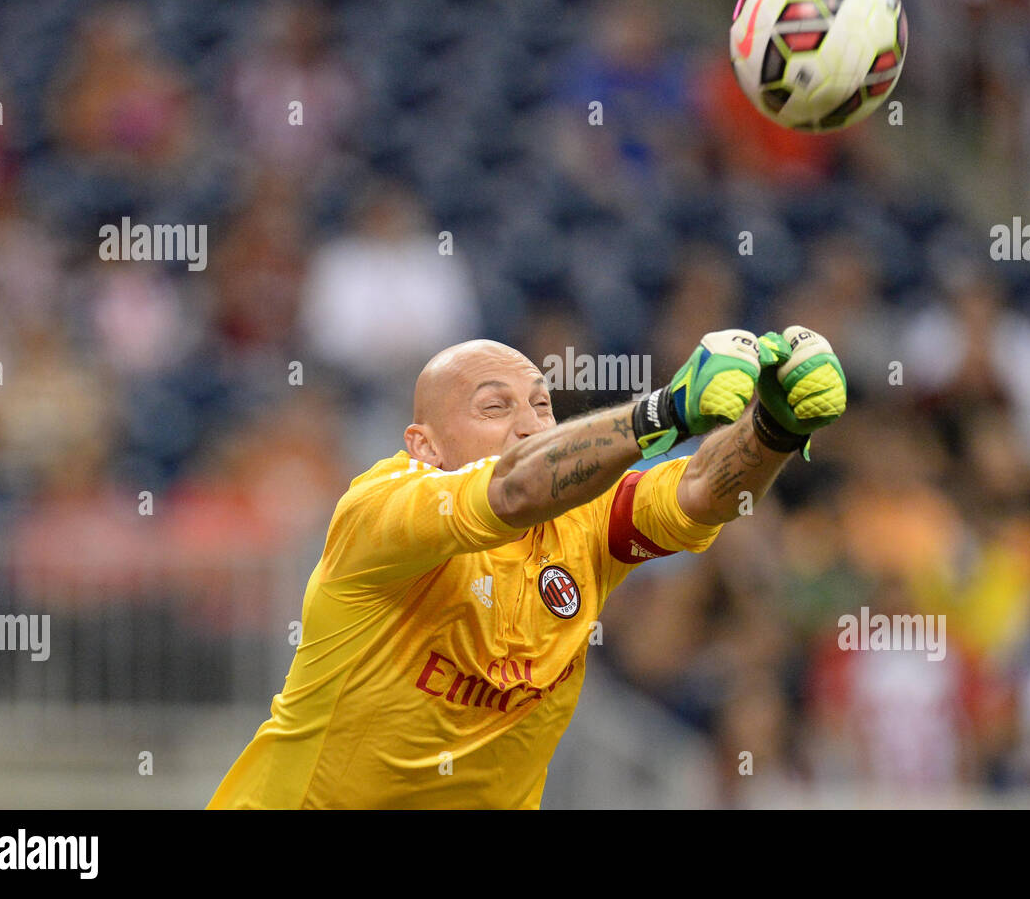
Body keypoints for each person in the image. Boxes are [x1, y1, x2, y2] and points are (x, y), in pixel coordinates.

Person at [208, 326, 847, 808]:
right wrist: (663, 412)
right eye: (494, 408)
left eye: (541, 406)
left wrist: (772, 429)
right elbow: (513, 489)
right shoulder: (381, 510)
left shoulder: (586, 522)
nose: (528, 426)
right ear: (423, 445)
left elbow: (705, 489)